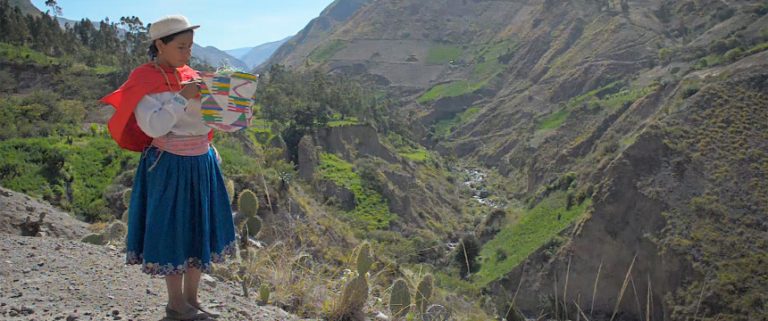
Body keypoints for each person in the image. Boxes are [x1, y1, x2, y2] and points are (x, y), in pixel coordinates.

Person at [100, 15, 236, 320]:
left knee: (197, 229)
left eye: (190, 47)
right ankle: (175, 304)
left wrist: (230, 109)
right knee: (175, 230)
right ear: (160, 45)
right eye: (181, 47)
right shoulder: (144, 81)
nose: (188, 53)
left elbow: (212, 122)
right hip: (170, 164)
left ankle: (192, 300)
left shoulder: (194, 77)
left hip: (201, 162)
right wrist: (182, 97)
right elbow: (155, 127)